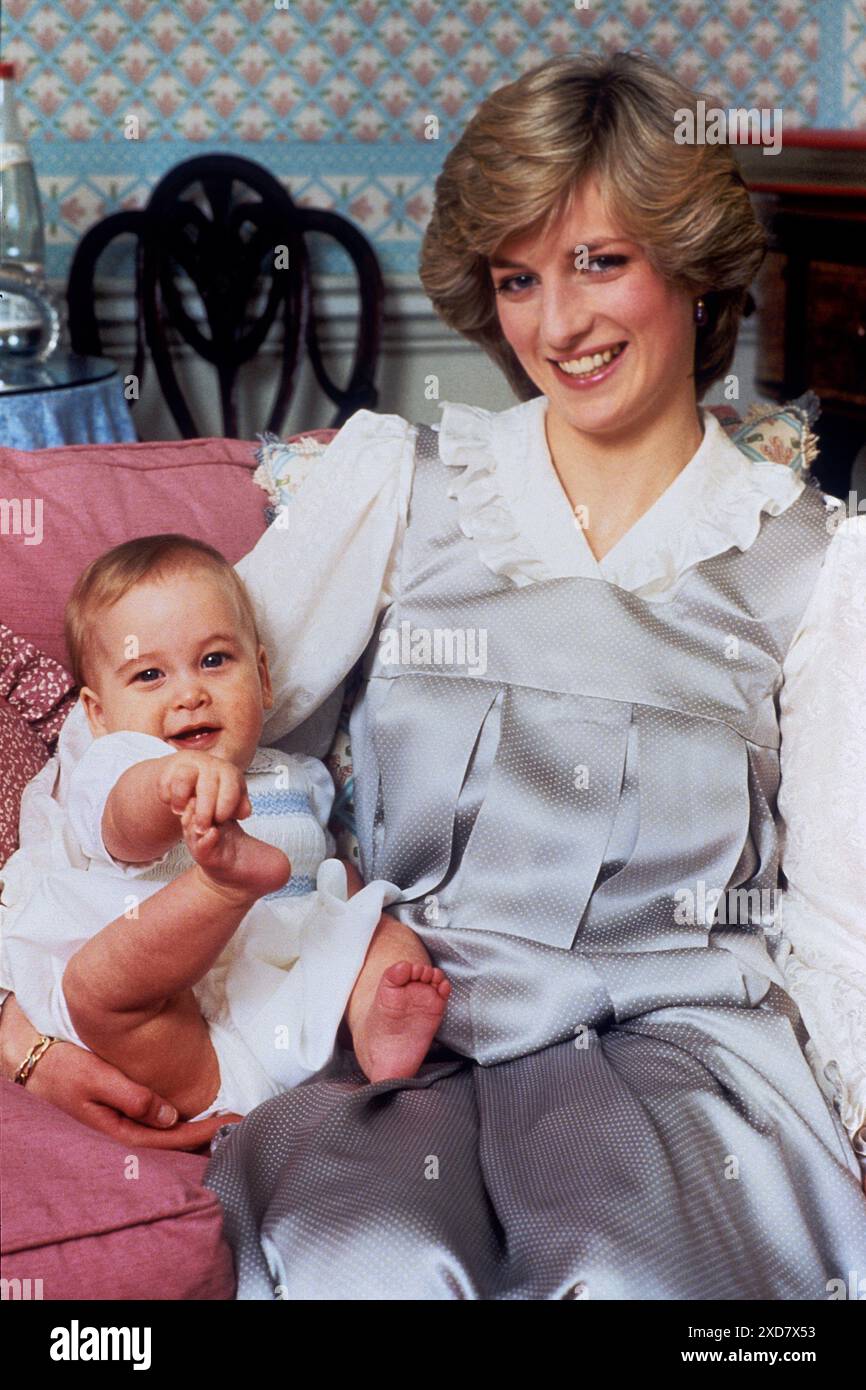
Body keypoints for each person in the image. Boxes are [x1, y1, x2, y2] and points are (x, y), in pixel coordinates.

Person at [2, 49, 865, 1296]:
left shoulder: (815, 565)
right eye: (518, 278)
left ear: (691, 262)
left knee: (624, 1273)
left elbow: (842, 929)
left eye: (598, 263)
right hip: (403, 1042)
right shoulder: (400, 491)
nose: (555, 326)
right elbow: (153, 753)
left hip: (687, 1064)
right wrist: (27, 1033)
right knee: (369, 1260)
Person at [1, 535, 450, 1123]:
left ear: (262, 677)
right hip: (180, 1025)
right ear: (99, 714)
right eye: (149, 675)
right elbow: (126, 829)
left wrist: (358, 921)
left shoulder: (302, 777)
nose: (189, 693)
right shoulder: (114, 771)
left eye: (214, 661)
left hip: (294, 995)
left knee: (378, 929)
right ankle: (222, 887)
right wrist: (168, 783)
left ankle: (378, 1032)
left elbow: (333, 872)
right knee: (94, 991)